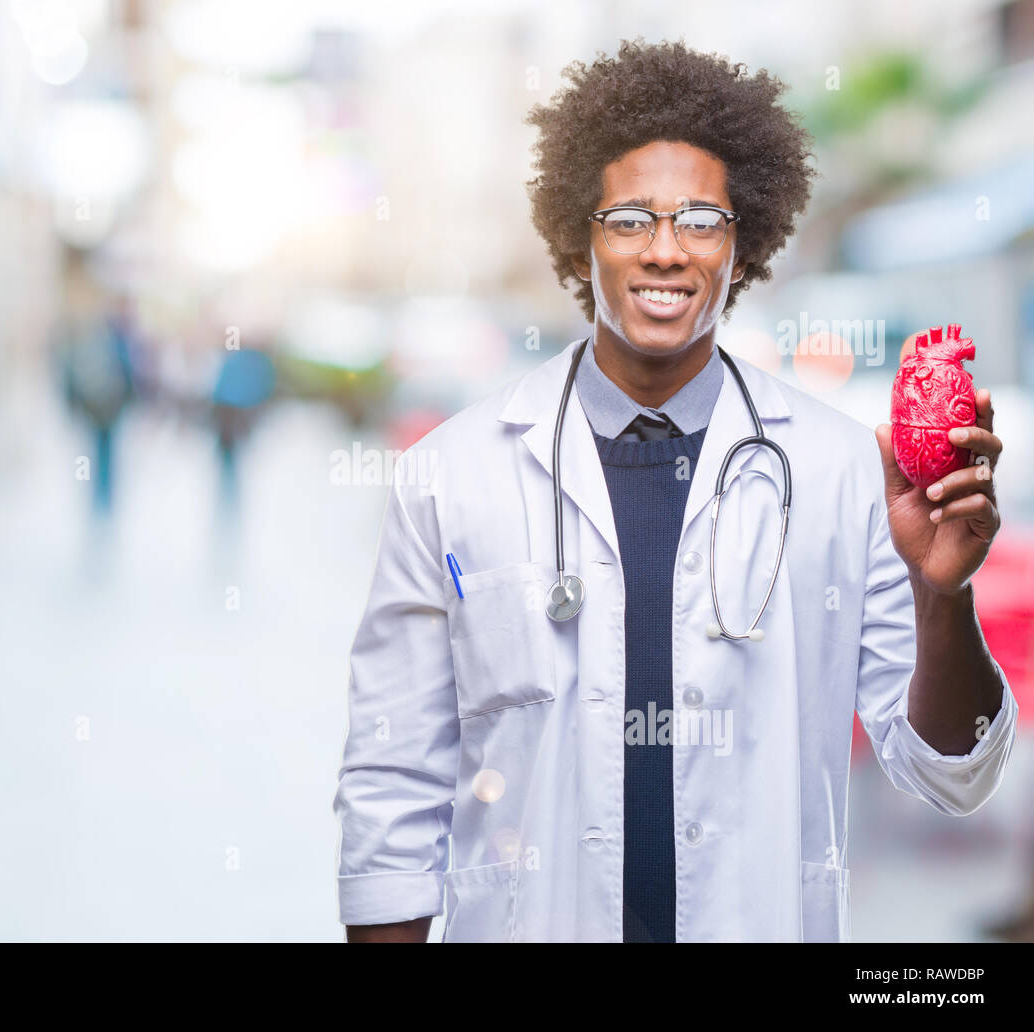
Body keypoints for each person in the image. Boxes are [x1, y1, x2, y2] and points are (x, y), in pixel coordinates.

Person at [331, 39, 1018, 943]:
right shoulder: (454, 474)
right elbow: (393, 783)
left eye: (700, 219)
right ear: (584, 235)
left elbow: (951, 772)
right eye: (630, 219)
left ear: (746, 240)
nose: (665, 251)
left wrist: (943, 591)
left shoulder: (844, 470)